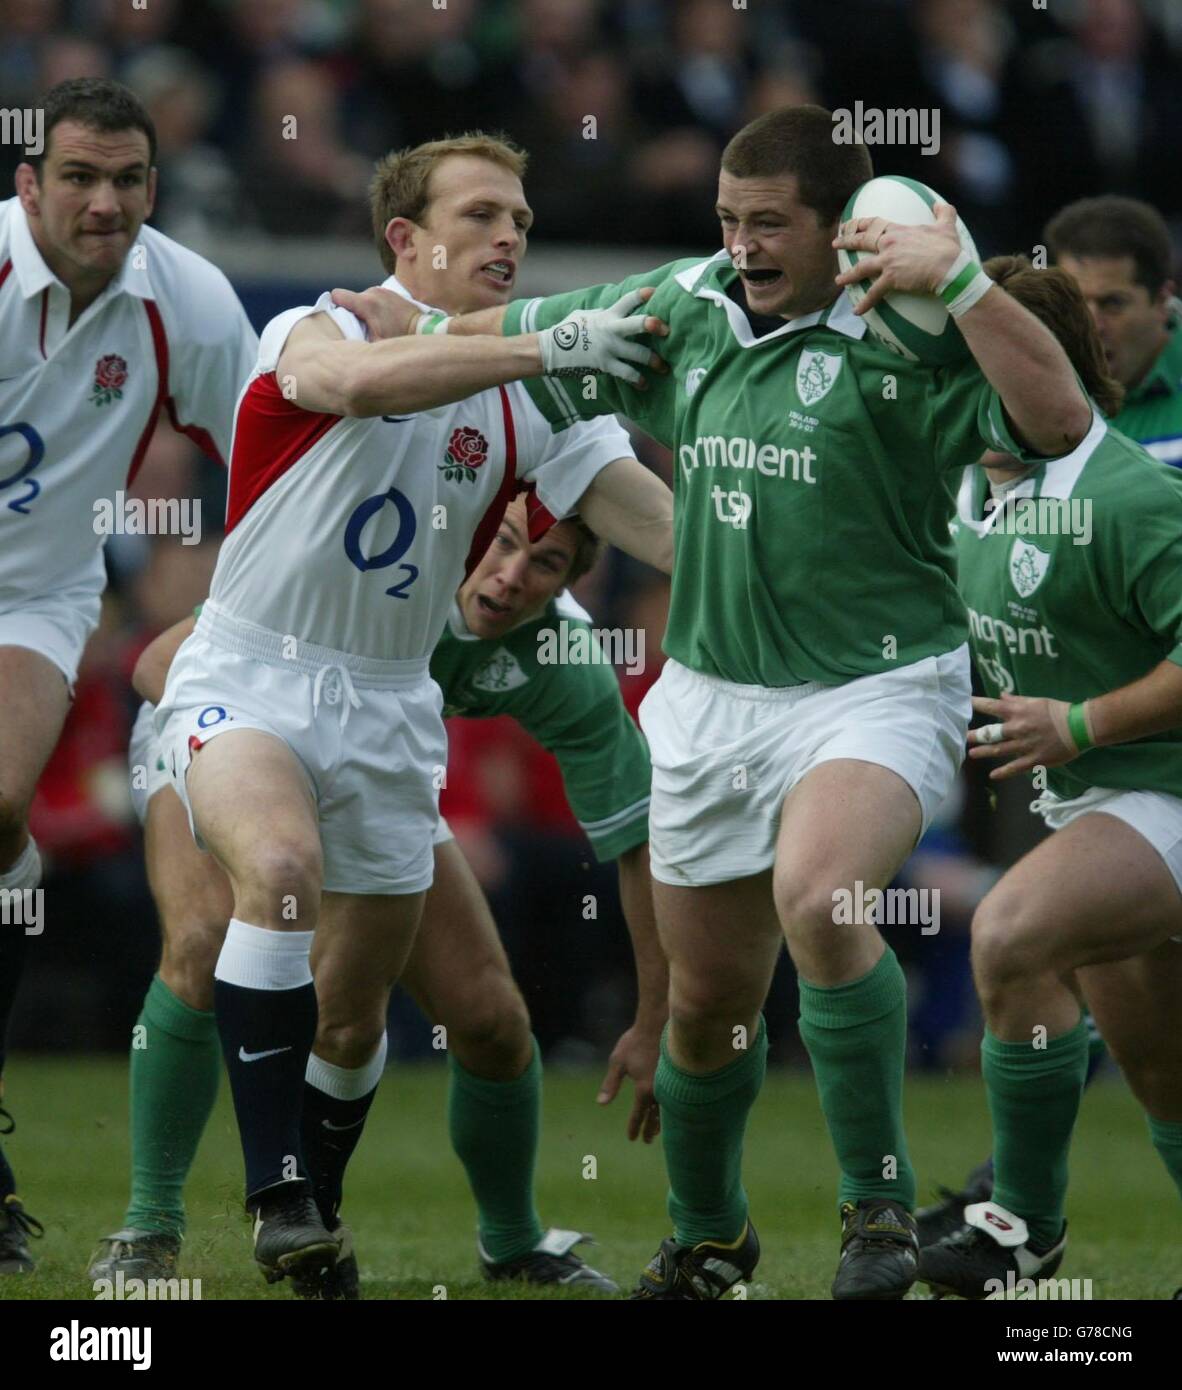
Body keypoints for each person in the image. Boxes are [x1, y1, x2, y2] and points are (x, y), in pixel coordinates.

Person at [342, 103, 1093, 1300]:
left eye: (770, 224)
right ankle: (710, 1240)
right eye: (729, 219)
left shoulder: (912, 332)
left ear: (843, 229)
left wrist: (962, 282)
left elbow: (1059, 420)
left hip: (878, 686)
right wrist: (392, 319)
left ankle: (877, 1211)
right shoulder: (681, 304)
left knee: (822, 896)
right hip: (708, 700)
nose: (743, 243)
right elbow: (502, 328)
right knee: (705, 1014)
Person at [152, 132, 672, 1290]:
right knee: (276, 871)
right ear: (406, 238)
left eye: (523, 224)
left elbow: (652, 520)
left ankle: (320, 1223)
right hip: (254, 675)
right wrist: (547, 344)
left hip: (390, 708)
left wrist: (795, 580)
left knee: (352, 1016)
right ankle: (267, 1192)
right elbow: (354, 386)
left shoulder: (532, 392)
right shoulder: (321, 324)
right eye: (482, 215)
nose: (508, 238)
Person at [90, 495, 668, 1296]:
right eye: (502, 543)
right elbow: (157, 665)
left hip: (363, 774)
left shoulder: (567, 661)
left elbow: (634, 837)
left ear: (575, 581)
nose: (511, 576)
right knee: (202, 942)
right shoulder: (368, 565)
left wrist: (656, 1012)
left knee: (489, 1019)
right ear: (468, 530)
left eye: (547, 563)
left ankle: (509, 1241)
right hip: (212, 730)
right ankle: (148, 1230)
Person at [0, 77, 256, 1276]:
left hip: (35, 593)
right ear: (28, 185)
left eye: (129, 180)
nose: (106, 203)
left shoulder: (189, 303)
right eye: (79, 178)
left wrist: (215, 609)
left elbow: (275, 469)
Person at [916, 195, 1182, 1243]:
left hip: (1161, 786)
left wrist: (1077, 725)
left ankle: (1019, 1226)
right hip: (1102, 803)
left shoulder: (1126, 496)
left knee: (1011, 932)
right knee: (1162, 1068)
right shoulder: (970, 494)